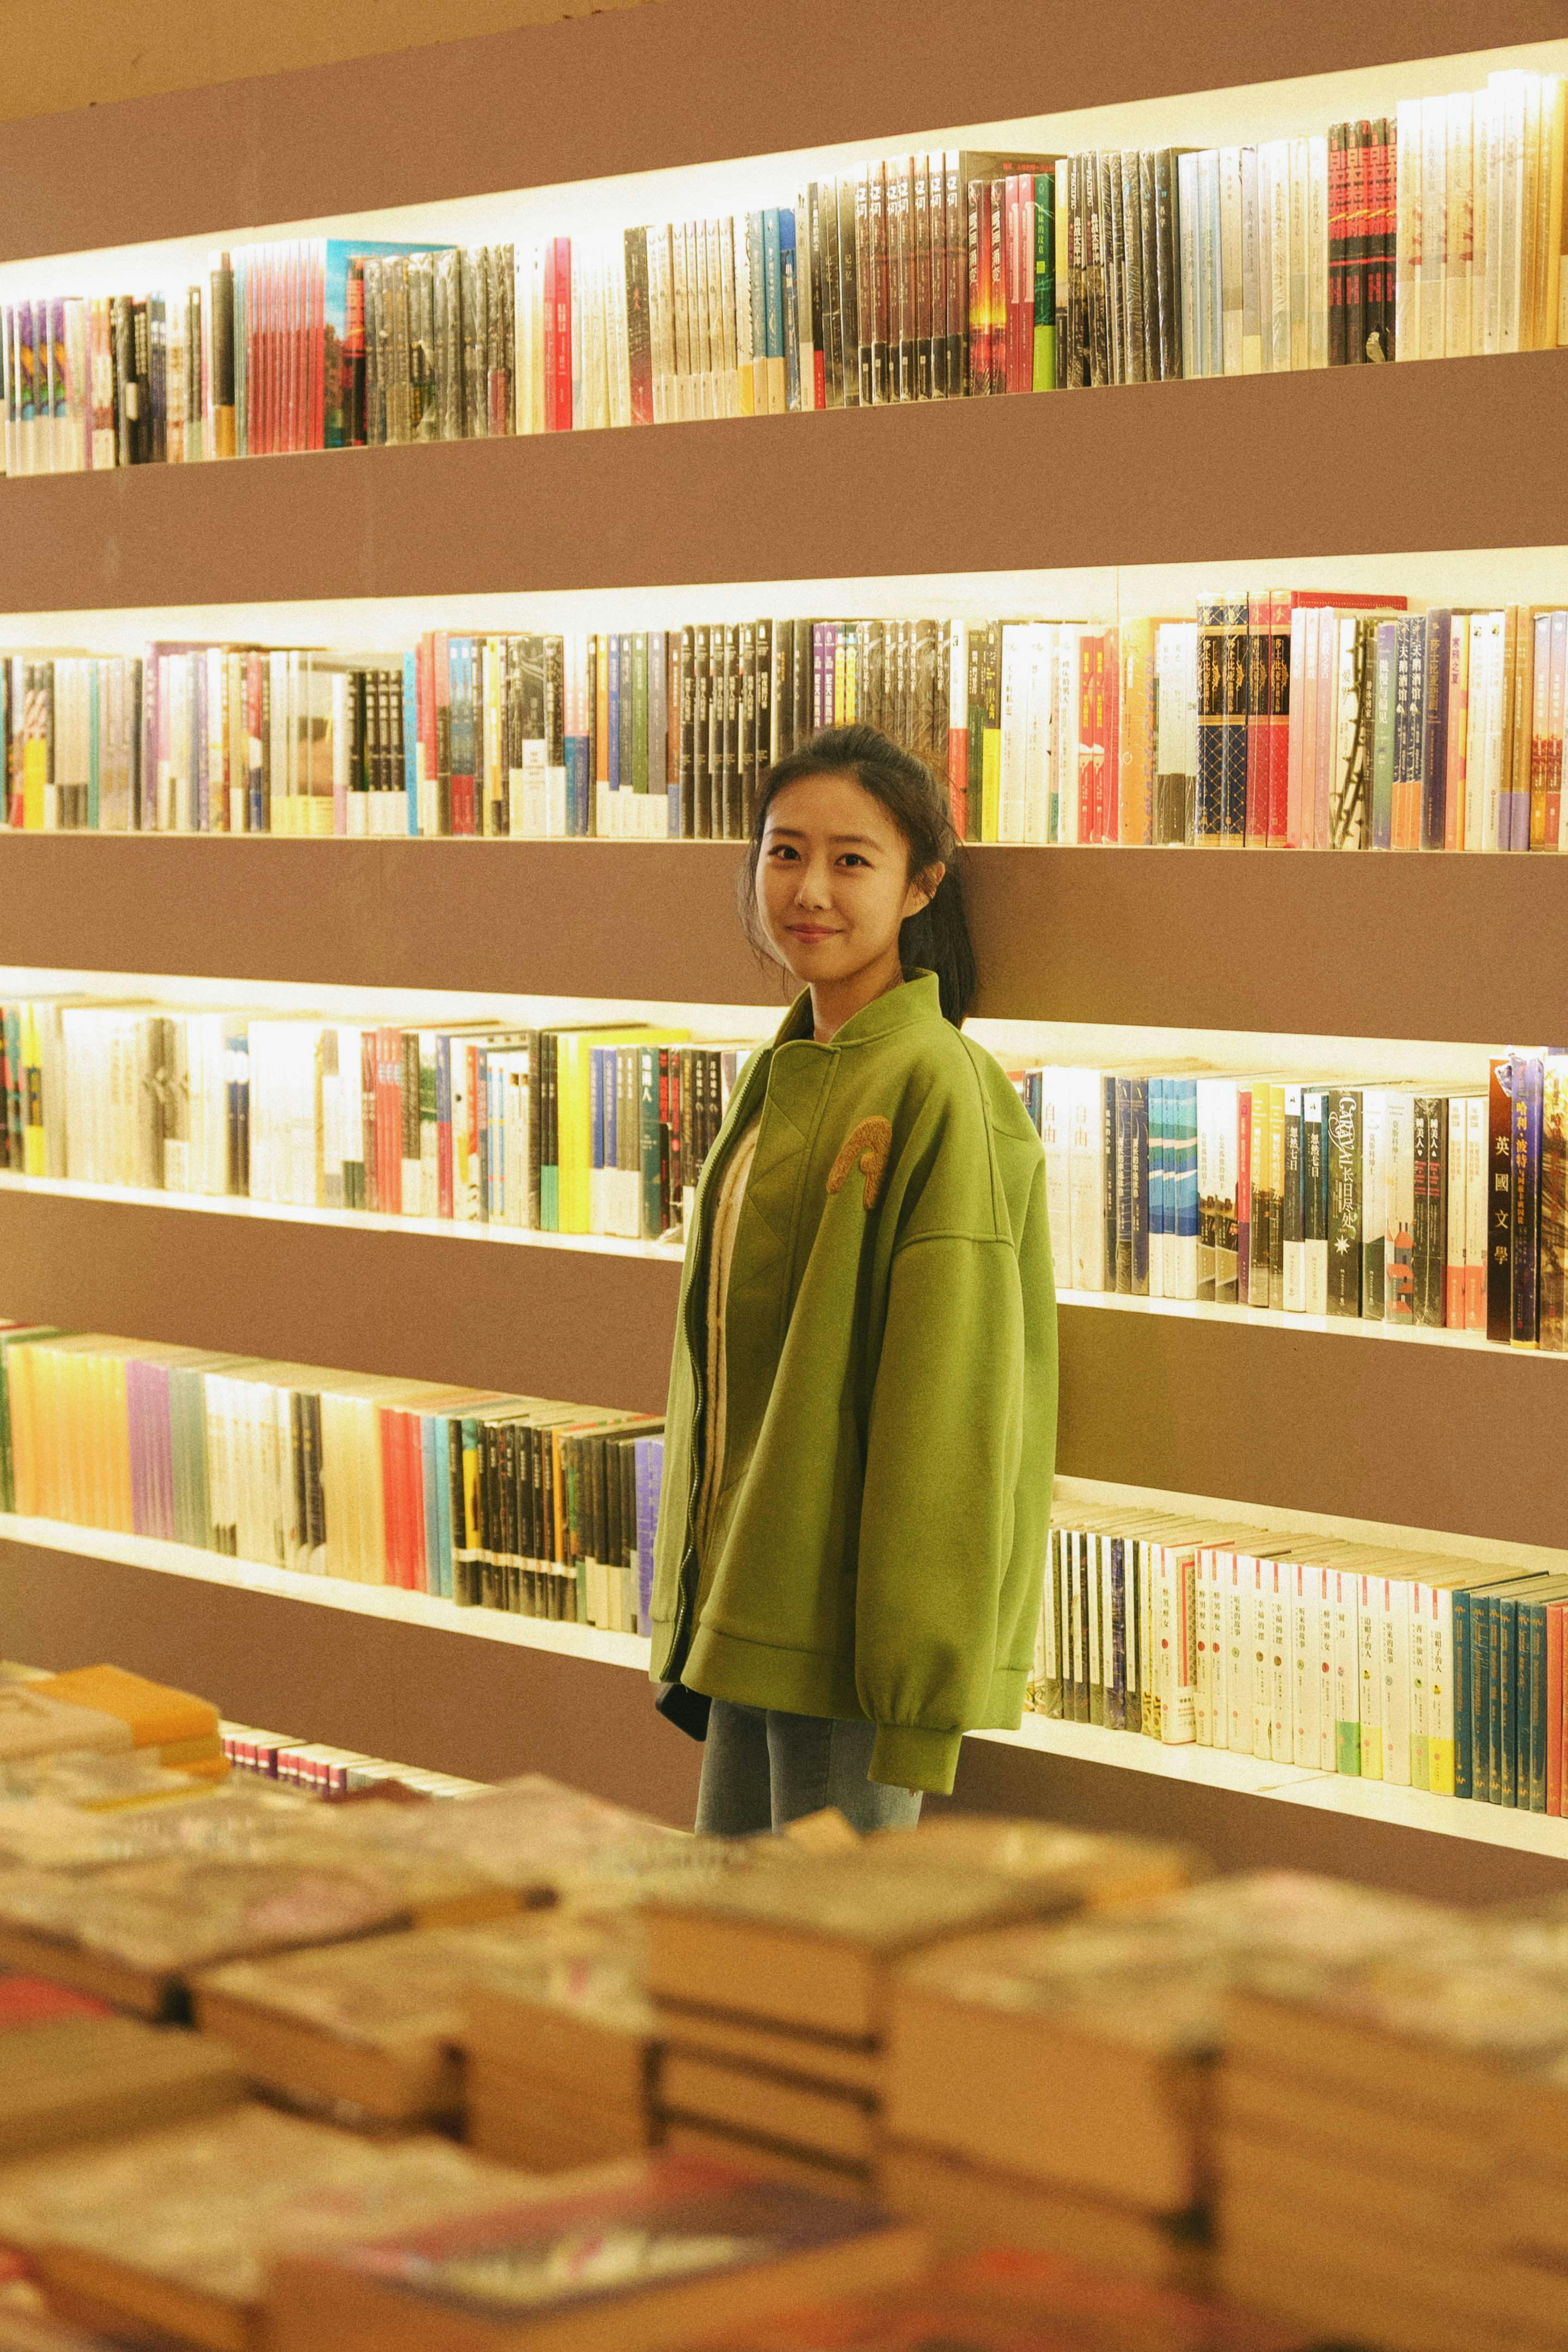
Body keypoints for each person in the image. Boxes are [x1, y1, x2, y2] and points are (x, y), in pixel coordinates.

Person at [648, 724, 1057, 1835]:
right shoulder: (781, 1071)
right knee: (737, 1967)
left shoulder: (939, 1086)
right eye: (784, 854)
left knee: (821, 1970)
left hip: (852, 1654)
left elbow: (956, 1415)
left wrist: (916, 1692)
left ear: (922, 885)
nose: (810, 890)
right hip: (749, 1618)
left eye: (852, 860)